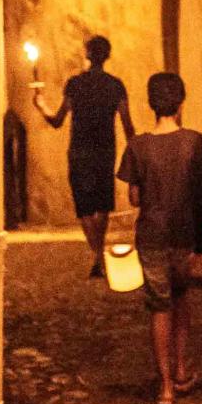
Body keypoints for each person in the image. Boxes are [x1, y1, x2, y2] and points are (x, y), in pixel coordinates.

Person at [116, 72, 202, 404]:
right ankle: (182, 369)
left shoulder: (138, 146)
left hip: (152, 234)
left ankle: (166, 386)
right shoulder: (194, 142)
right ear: (181, 102)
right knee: (182, 300)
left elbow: (134, 197)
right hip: (185, 233)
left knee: (159, 306)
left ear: (150, 104)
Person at [32, 35, 136, 278]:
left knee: (85, 207)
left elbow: (57, 120)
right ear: (107, 55)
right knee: (102, 205)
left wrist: (41, 105)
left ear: (87, 54)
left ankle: (98, 256)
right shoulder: (115, 86)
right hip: (104, 151)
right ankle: (98, 256)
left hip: (79, 152)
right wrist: (136, 151)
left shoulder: (75, 85)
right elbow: (127, 124)